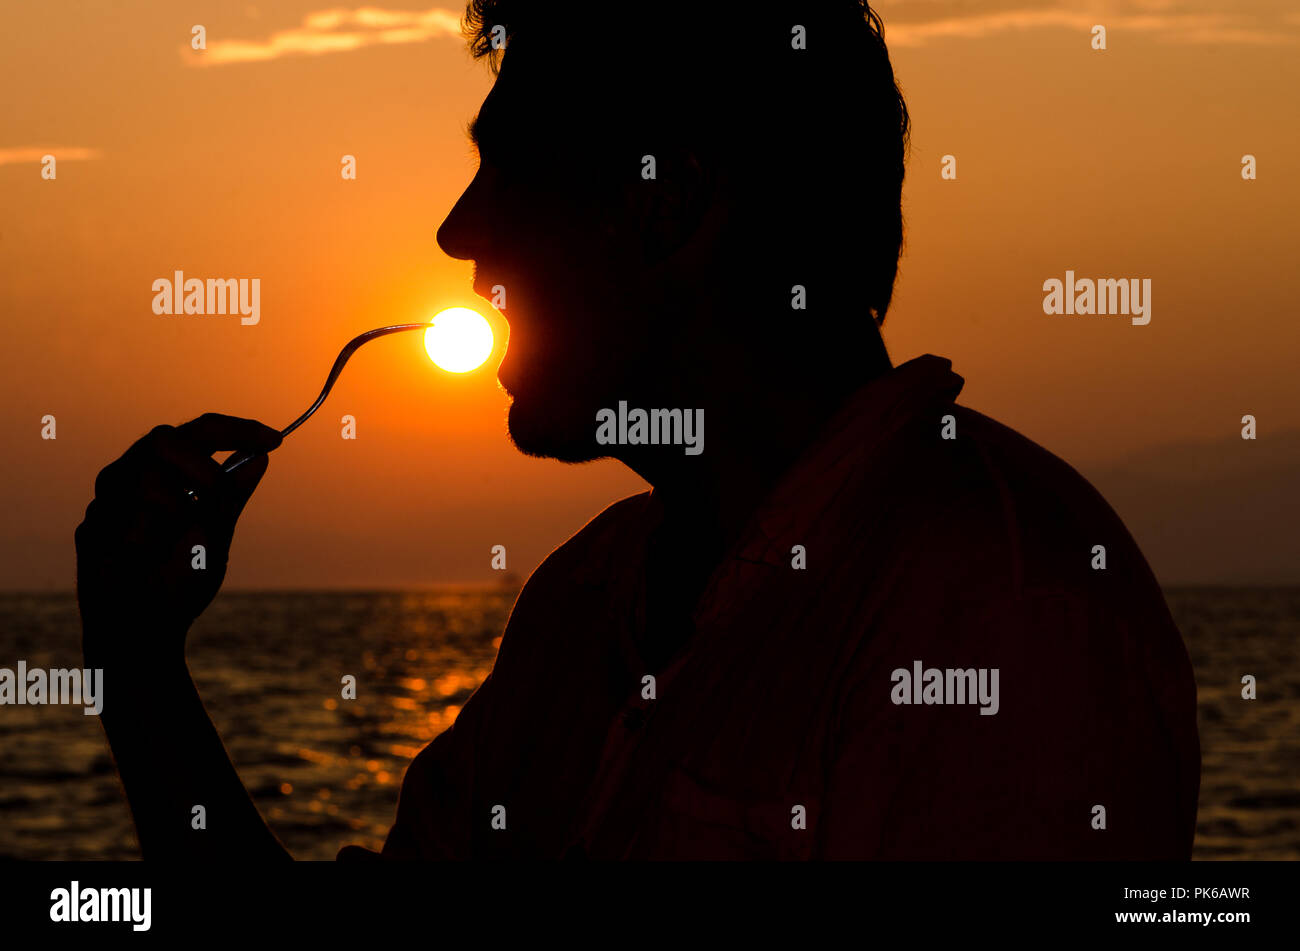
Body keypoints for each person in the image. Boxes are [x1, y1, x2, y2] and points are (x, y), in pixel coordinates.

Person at [75, 1, 1200, 860]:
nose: (458, 225)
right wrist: (137, 657)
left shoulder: (994, 610)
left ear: (665, 202)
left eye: (506, 168)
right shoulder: (585, 603)